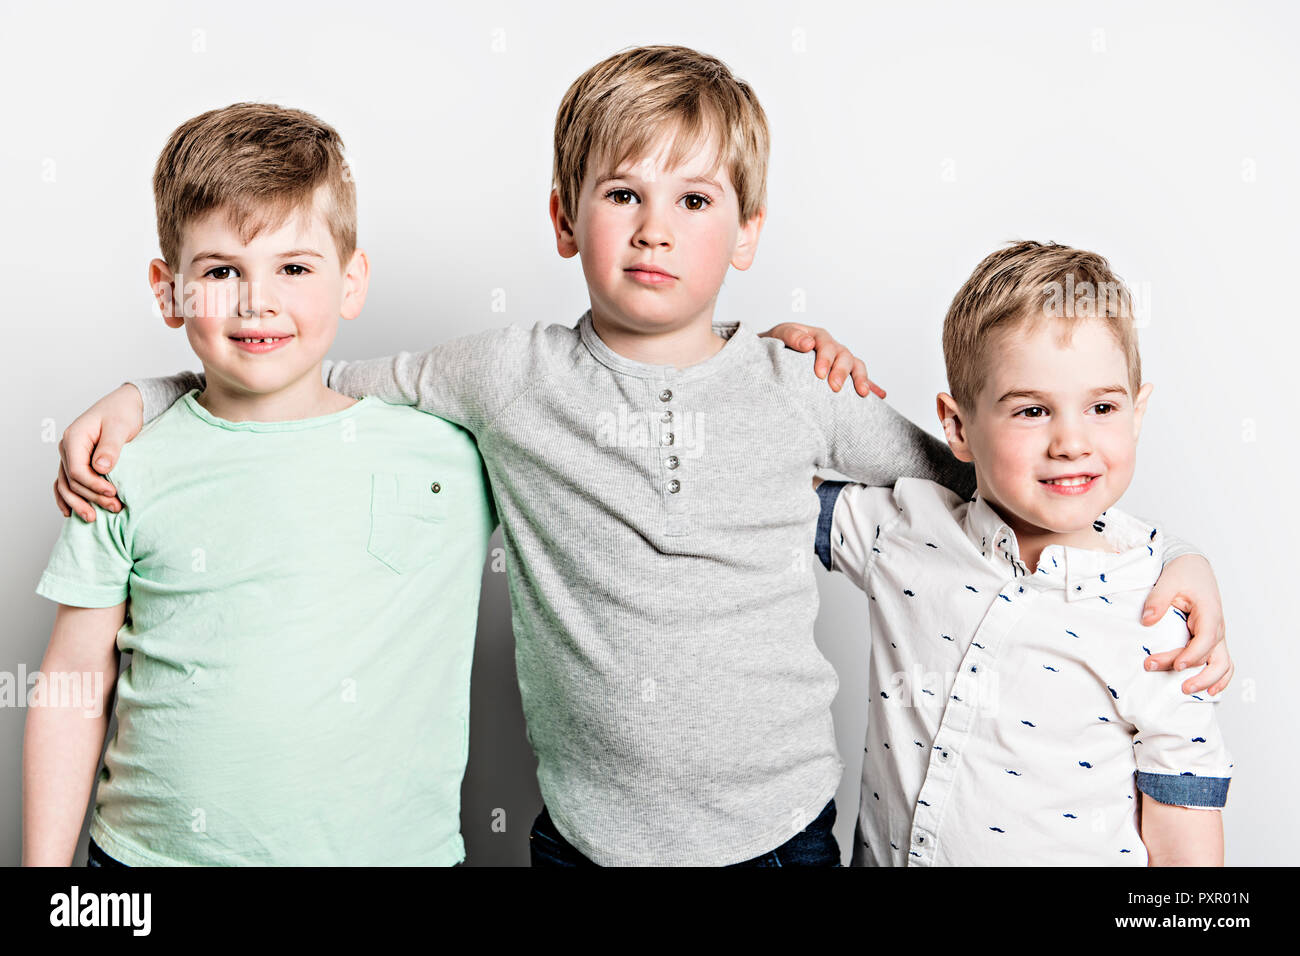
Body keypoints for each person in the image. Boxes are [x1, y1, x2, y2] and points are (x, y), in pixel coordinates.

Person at [50, 48, 1232, 866]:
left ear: (750, 233)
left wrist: (1173, 562)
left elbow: (993, 477)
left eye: (694, 198)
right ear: (565, 220)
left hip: (785, 834)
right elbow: (299, 374)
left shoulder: (796, 388)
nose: (655, 227)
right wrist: (146, 393)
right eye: (621, 193)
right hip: (585, 842)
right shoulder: (501, 377)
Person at [24, 103, 497, 865]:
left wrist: (764, 353)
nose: (257, 302)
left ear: (351, 280)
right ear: (167, 289)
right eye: (220, 272)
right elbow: (76, 677)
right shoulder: (122, 464)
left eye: (295, 268)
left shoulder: (451, 452)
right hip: (150, 863)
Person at [815, 241, 1231, 865]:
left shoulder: (1160, 617)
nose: (1071, 441)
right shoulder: (902, 530)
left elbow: (1186, 854)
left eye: (1102, 407)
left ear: (1136, 413)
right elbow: (758, 479)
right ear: (957, 427)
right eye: (1033, 410)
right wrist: (780, 358)